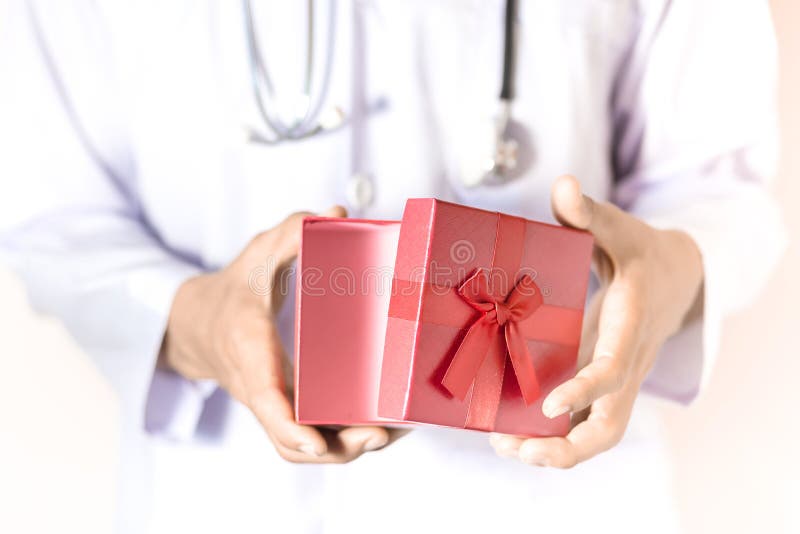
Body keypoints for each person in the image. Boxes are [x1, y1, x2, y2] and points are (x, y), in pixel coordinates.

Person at [0, 1, 786, 533]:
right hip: (225, 500)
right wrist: (193, 319)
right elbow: (52, 214)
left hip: (554, 494)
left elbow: (721, 187)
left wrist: (667, 270)